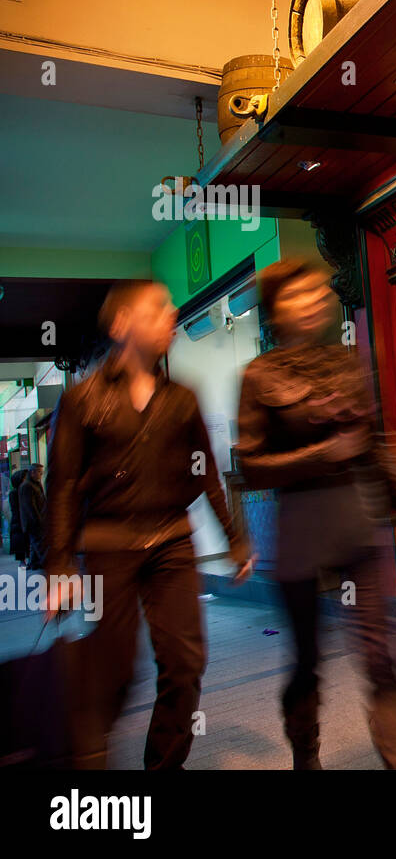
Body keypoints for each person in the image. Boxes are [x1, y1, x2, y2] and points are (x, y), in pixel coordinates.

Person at [236, 259, 396, 770]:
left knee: (378, 657)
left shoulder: (347, 362)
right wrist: (322, 456)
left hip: (352, 523)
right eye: (297, 294)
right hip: (299, 529)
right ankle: (306, 755)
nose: (313, 300)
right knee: (307, 660)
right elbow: (251, 467)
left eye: (317, 291)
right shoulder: (259, 375)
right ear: (277, 309)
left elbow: (374, 443)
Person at [44, 280, 253, 769]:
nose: (172, 312)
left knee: (185, 666)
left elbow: (206, 474)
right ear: (121, 324)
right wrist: (58, 566)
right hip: (108, 545)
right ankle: (89, 755)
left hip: (172, 542)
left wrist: (235, 539)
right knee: (113, 671)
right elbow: (63, 487)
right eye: (157, 307)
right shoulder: (82, 401)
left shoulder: (182, 398)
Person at [18, 463, 45, 570]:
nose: (41, 475)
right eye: (40, 472)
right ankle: (48, 562)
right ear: (32, 472)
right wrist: (39, 520)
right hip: (33, 522)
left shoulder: (36, 484)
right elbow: (30, 507)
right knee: (39, 542)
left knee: (35, 543)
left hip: (37, 519)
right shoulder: (26, 486)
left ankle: (34, 563)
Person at [7, 469, 27, 565]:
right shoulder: (14, 493)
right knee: (20, 540)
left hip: (22, 519)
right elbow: (15, 509)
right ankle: (22, 560)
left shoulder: (26, 490)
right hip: (19, 520)